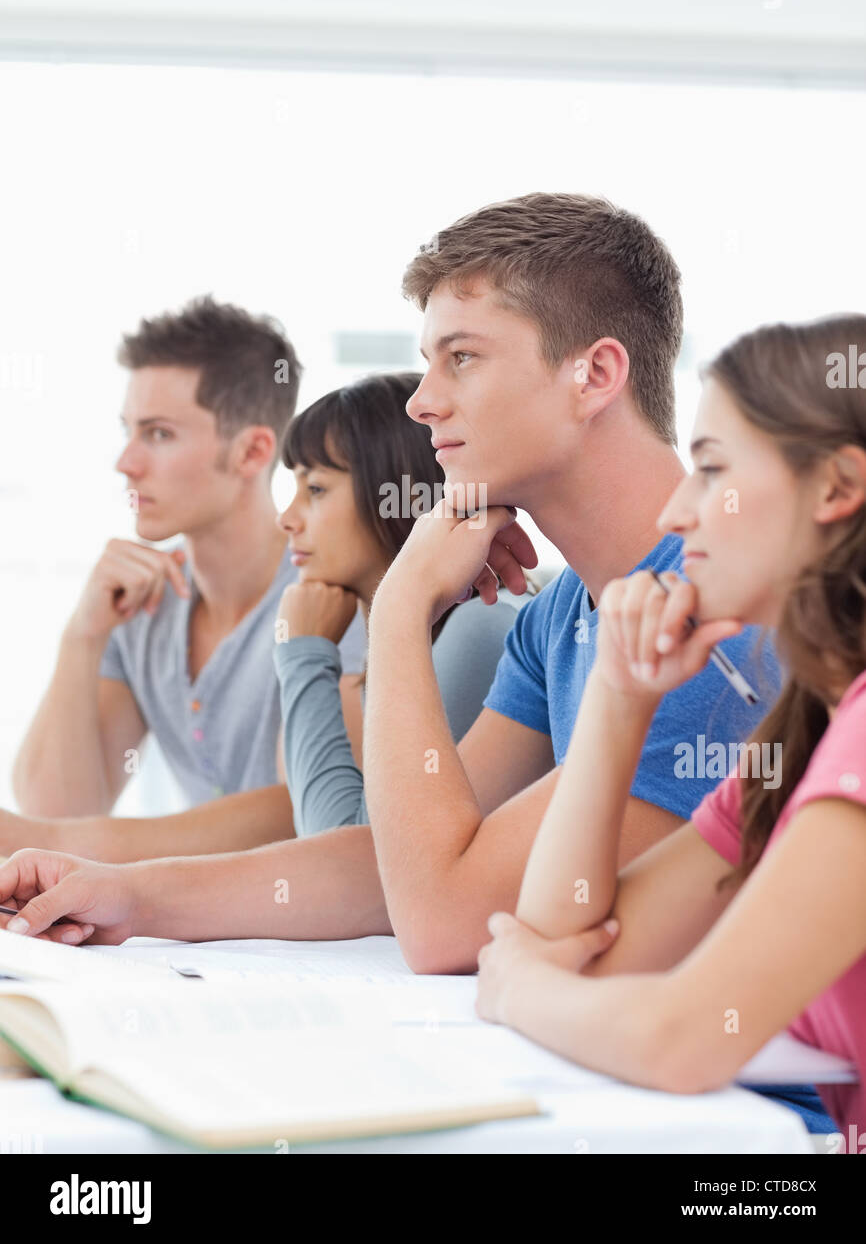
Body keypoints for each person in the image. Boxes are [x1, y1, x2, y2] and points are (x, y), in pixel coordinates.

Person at [0, 193, 830, 1130]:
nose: (422, 399)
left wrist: (398, 608)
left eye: (462, 358)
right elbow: (396, 867)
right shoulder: (561, 612)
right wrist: (130, 897)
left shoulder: (715, 627)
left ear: (594, 374)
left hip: (740, 1126)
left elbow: (437, 921)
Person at [475, 312, 866, 1143]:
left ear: (836, 488)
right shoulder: (803, 737)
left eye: (712, 470)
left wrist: (518, 989)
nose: (678, 513)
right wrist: (619, 703)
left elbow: (683, 1040)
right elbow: (571, 940)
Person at [10, 292, 365, 850]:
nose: (125, 462)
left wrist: (81, 846)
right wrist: (81, 636)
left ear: (251, 453)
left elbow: (299, 811)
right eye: (128, 430)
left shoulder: (338, 596)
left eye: (158, 434)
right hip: (211, 933)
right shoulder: (141, 604)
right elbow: (62, 809)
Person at [273, 372, 523, 836]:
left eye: (316, 489)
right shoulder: (405, 642)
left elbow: (354, 862)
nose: (286, 518)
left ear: (396, 492)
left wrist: (303, 657)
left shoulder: (477, 629)